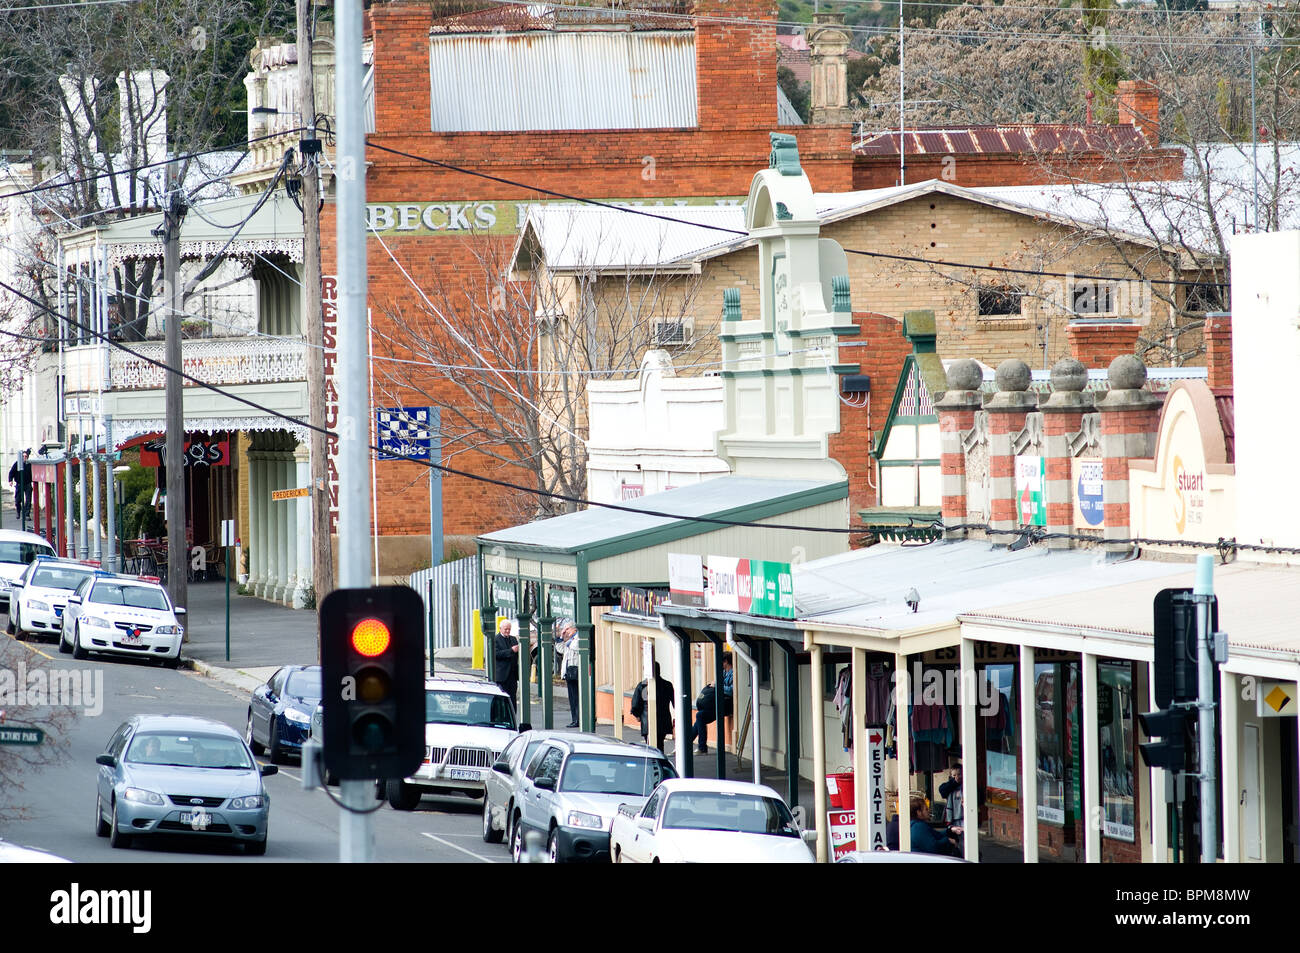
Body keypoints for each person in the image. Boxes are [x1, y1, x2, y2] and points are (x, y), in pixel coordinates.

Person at [689, 651, 733, 754]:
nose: (719, 665)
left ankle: (700, 747)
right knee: (700, 717)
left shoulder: (733, 673)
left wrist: (717, 686)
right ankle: (686, 744)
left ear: (726, 661)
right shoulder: (723, 673)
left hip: (727, 705)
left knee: (700, 716)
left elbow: (731, 690)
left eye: (721, 662)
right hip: (718, 703)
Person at [630, 662, 675, 752]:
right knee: (660, 743)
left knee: (650, 747)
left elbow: (635, 704)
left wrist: (638, 716)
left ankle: (653, 763)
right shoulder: (667, 685)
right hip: (663, 720)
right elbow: (675, 703)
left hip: (647, 721)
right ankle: (660, 762)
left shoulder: (643, 686)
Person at [556, 618, 580, 728]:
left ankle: (578, 719)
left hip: (576, 672)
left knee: (576, 697)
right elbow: (560, 649)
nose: (566, 631)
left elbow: (575, 646)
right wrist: (561, 637)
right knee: (572, 698)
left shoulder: (577, 638)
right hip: (568, 673)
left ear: (574, 628)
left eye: (567, 629)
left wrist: (568, 640)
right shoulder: (569, 640)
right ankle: (574, 718)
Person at [493, 619, 520, 702]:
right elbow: (496, 654)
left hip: (512, 676)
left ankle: (512, 714)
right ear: (500, 628)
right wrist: (511, 651)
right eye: (506, 629)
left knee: (512, 699)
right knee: (502, 699)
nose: (507, 631)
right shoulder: (496, 639)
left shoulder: (513, 639)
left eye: (509, 629)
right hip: (502, 676)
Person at [7, 449, 30, 524]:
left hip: (27, 484)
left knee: (28, 500)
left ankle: (27, 514)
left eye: (26, 456)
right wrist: (10, 480)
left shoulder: (29, 464)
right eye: (23, 456)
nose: (24, 458)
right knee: (18, 500)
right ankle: (18, 511)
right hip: (19, 484)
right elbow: (11, 472)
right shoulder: (17, 464)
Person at [939, 760, 964, 827]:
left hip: (964, 817)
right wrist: (954, 782)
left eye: (959, 774)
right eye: (954, 775)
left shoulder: (965, 785)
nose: (957, 777)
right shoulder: (949, 786)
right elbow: (942, 791)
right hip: (953, 818)